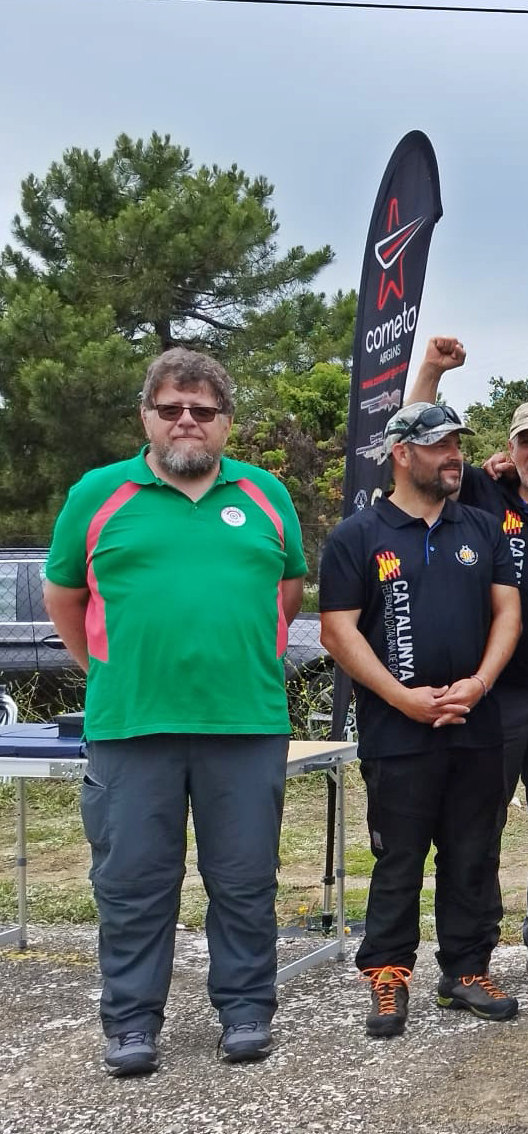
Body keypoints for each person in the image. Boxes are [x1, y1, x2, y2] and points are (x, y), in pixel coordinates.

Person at [43, 348, 306, 1076]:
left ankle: (246, 1011)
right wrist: (110, 668)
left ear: (225, 422)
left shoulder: (265, 494)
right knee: (131, 884)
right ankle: (131, 1023)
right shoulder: (98, 493)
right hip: (131, 727)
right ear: (147, 417)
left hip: (245, 724)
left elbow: (286, 595)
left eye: (203, 409)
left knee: (245, 881)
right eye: (171, 407)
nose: (186, 420)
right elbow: (64, 597)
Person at [320, 401, 523, 1037]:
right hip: (396, 732)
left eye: (456, 444)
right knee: (399, 858)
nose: (453, 455)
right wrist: (401, 697)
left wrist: (480, 684)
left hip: (476, 726)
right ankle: (388, 973)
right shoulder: (358, 535)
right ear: (402, 454)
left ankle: (466, 970)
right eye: (438, 445)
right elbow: (337, 631)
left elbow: (508, 614)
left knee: (473, 854)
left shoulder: (483, 528)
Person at [408, 338, 528, 991]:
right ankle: (477, 952)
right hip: (493, 697)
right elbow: (418, 436)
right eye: (526, 443)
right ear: (510, 450)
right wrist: (431, 372)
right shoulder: (483, 497)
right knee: (478, 831)